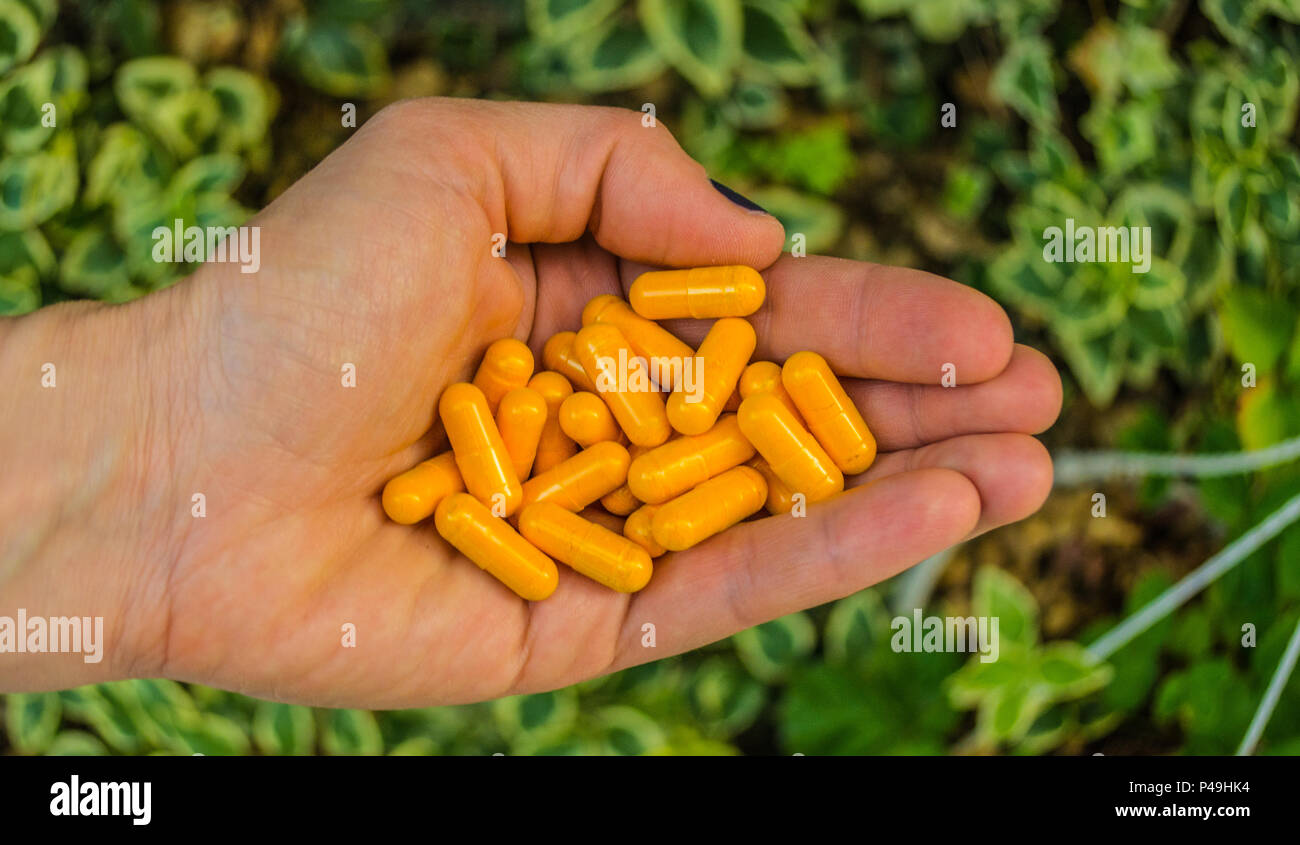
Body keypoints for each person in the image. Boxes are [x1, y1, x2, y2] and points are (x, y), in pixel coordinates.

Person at [0, 99, 1061, 708]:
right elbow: (611, 466)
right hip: (571, 465)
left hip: (590, 464)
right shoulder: (569, 419)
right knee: (644, 476)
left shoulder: (653, 407)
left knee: (655, 476)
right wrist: (155, 424)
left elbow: (646, 463)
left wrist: (144, 435)